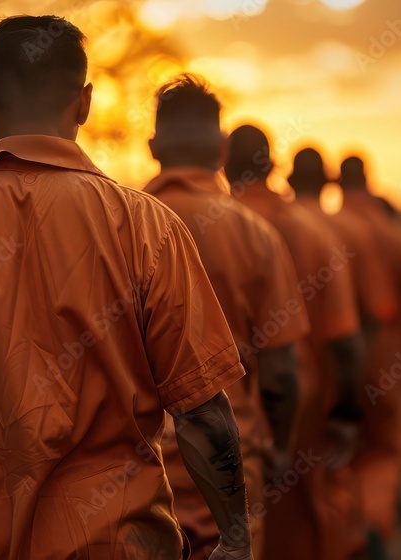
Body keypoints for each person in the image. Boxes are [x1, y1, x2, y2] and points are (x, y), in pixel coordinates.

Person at [0, 16, 252, 560]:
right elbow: (202, 409)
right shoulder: (147, 229)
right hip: (115, 543)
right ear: (84, 103)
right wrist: (236, 538)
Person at [142, 75, 308, 560]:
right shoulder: (255, 235)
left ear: (153, 145)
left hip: (130, 480)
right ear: (220, 146)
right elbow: (281, 370)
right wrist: (279, 448)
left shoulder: (113, 229)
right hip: (228, 477)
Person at [225, 125, 367, 560]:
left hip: (218, 420)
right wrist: (347, 412)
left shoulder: (202, 228)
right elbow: (345, 342)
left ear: (223, 164)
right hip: (298, 412)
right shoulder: (313, 233)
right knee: (302, 528)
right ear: (273, 168)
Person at [287, 147, 401, 556]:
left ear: (286, 179)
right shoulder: (353, 231)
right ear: (328, 181)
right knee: (360, 465)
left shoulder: (267, 225)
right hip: (345, 377)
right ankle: (363, 533)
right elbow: (375, 315)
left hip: (283, 386)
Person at [337, 155, 401, 553]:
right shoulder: (400, 240)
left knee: (332, 456)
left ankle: (339, 535)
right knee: (382, 452)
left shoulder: (323, 231)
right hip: (387, 370)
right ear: (369, 180)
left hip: (334, 367)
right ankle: (374, 523)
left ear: (335, 183)